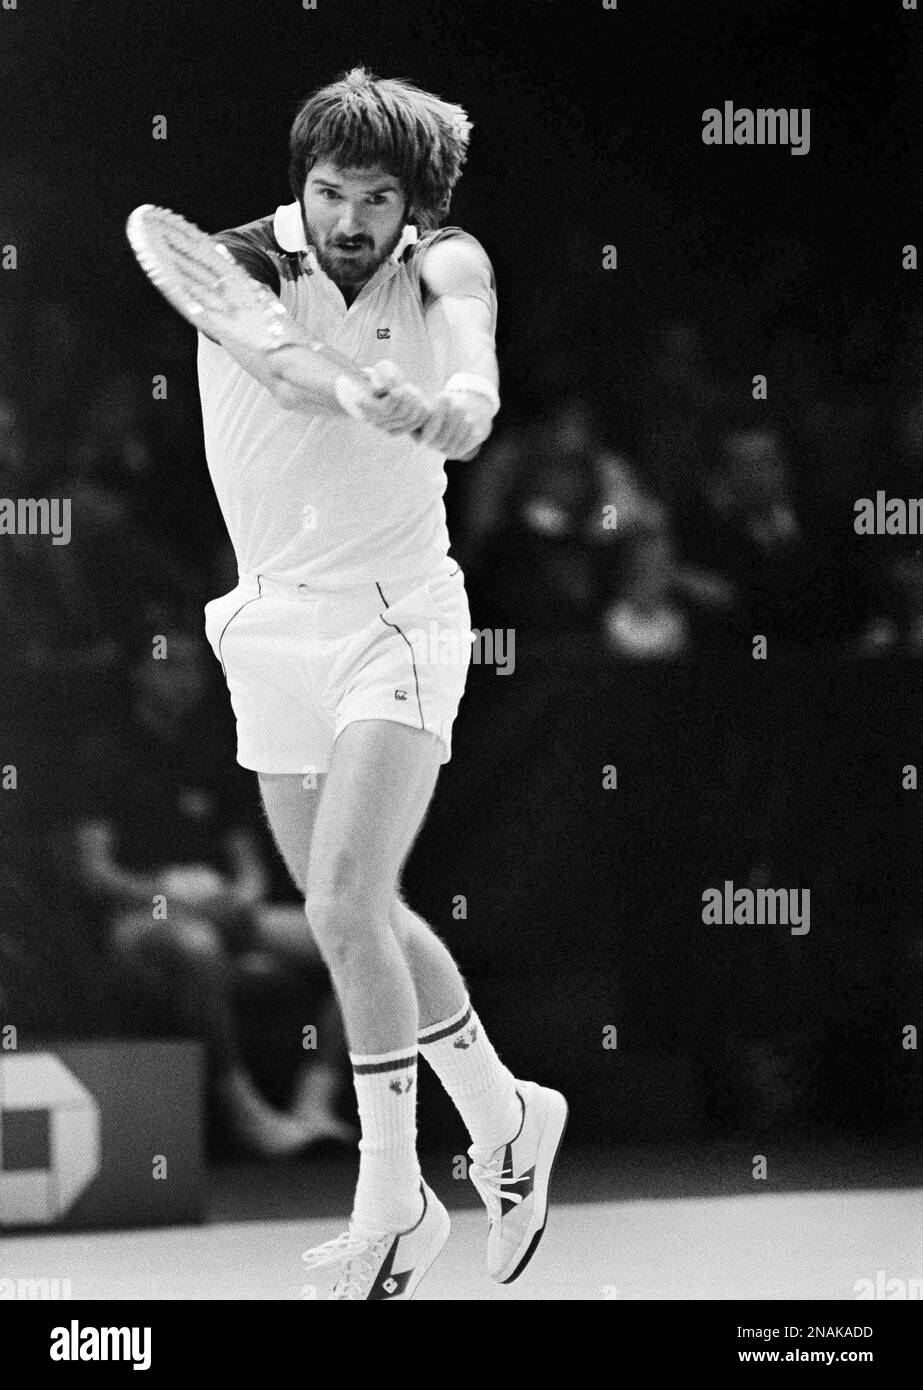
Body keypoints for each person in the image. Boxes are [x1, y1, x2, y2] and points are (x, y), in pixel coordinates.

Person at [195, 67, 567, 1298]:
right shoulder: (237, 261)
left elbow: (470, 336)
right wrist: (367, 391)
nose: (349, 218)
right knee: (357, 910)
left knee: (347, 904)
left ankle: (395, 1201)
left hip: (398, 617)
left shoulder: (444, 256)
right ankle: (504, 1113)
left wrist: (464, 400)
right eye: (328, 189)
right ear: (297, 186)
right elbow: (284, 367)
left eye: (374, 197)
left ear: (414, 201)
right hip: (268, 625)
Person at [70, 629, 355, 1156]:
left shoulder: (217, 754)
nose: (186, 678)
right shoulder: (104, 755)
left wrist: (241, 896)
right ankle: (243, 1109)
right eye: (169, 665)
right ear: (138, 674)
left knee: (355, 940)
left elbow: (248, 866)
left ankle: (315, 1099)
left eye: (194, 667)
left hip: (222, 909)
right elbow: (96, 872)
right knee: (197, 946)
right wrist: (170, 897)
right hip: (143, 918)